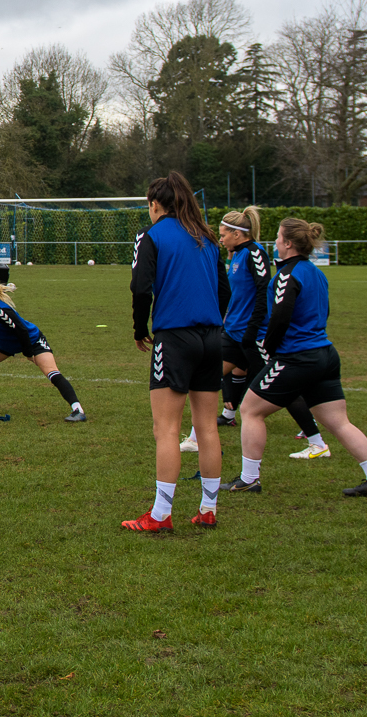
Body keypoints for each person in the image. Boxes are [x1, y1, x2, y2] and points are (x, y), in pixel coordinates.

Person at [227, 218, 367, 498]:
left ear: (288, 243)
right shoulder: (316, 272)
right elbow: (323, 311)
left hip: (297, 356)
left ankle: (249, 479)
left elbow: (279, 317)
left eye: (279, 237)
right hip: (325, 354)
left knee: (250, 410)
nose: (276, 242)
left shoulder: (286, 275)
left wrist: (272, 349)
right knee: (339, 422)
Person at [122, 172, 227, 532]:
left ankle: (160, 515)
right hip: (212, 337)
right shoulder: (207, 236)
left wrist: (140, 328)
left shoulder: (152, 235)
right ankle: (208, 509)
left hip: (176, 338)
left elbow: (140, 288)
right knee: (207, 427)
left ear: (155, 204)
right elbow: (224, 292)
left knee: (166, 429)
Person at [190, 207, 330, 459]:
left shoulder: (254, 253)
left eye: (223, 234)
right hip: (233, 332)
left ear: (237, 234)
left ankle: (317, 442)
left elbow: (263, 291)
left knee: (283, 386)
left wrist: (253, 329)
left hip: (252, 336)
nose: (220, 239)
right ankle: (197, 436)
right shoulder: (236, 255)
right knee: (206, 377)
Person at [0, 274, 86, 421]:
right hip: (5, 343)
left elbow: (21, 330)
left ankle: (78, 410)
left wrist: (29, 353)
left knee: (51, 372)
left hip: (31, 341)